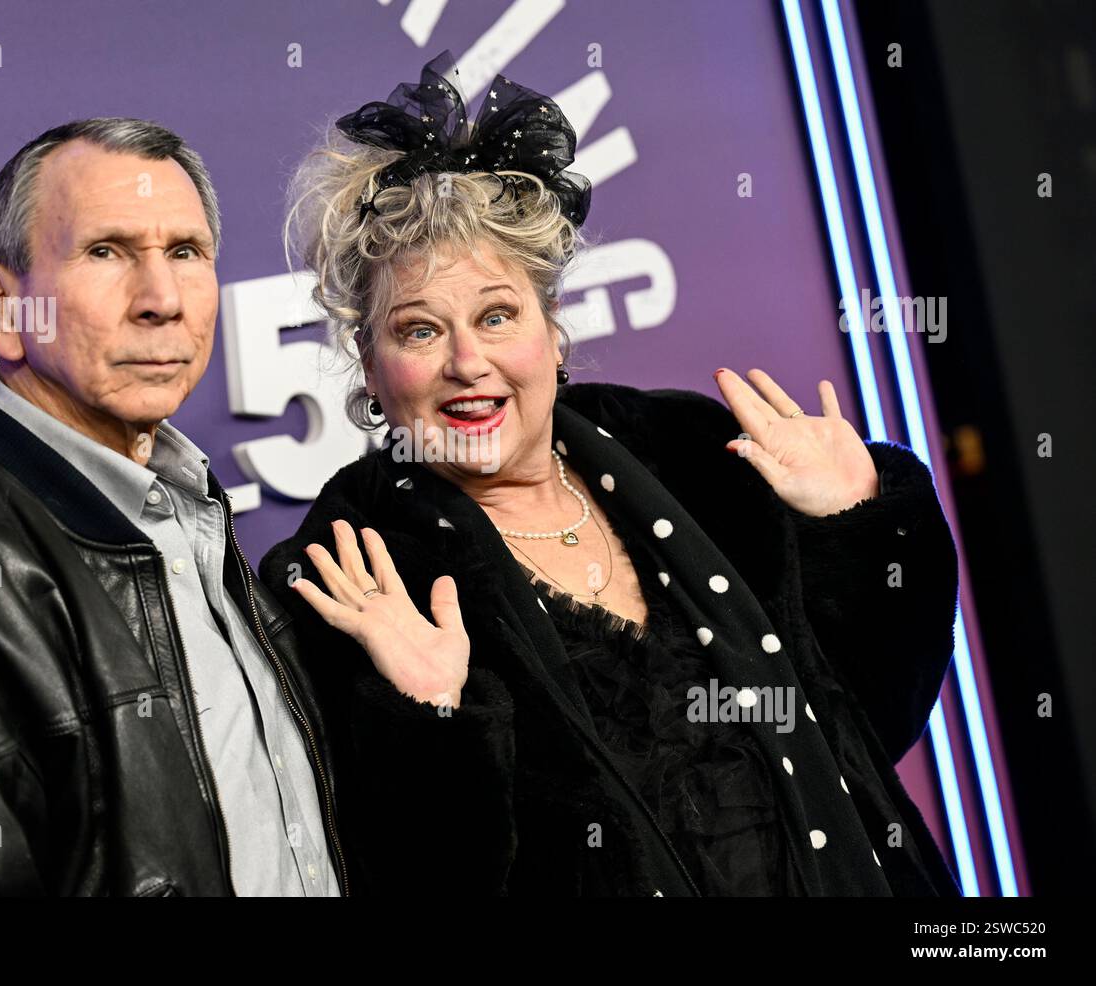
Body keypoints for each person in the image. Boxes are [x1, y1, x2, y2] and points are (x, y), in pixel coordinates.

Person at [259, 51, 963, 896]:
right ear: (369, 370)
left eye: (497, 315)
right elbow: (420, 877)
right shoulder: (359, 570)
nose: (467, 361)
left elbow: (868, 717)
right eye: (418, 332)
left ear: (551, 332)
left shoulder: (694, 454)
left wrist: (858, 523)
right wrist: (432, 720)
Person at [0, 118, 346, 896]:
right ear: (1, 305)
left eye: (185, 253)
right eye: (106, 252)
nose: (160, 300)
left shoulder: (184, 514)